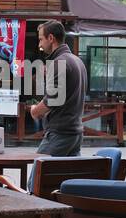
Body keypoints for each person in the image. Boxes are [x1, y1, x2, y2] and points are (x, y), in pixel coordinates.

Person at [29, 20, 85, 156]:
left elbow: (52, 100)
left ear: (51, 38)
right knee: (65, 177)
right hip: (75, 133)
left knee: (38, 176)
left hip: (60, 133)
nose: (39, 45)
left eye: (41, 39)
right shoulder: (77, 61)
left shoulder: (59, 62)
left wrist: (35, 111)